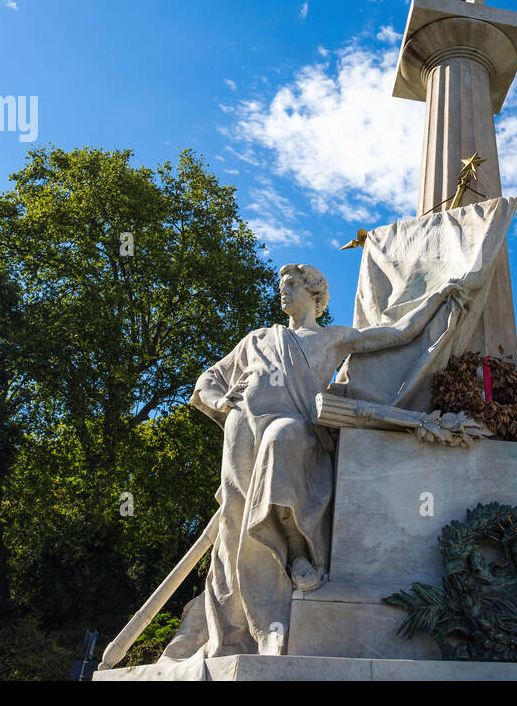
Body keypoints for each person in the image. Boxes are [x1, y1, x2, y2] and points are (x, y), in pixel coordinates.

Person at [167, 264, 467, 658]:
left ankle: (295, 550)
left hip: (296, 433)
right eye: (281, 285)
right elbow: (207, 380)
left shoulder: (332, 338)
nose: (283, 292)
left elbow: (397, 333)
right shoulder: (258, 339)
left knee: (282, 438)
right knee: (232, 528)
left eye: (291, 285)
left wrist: (437, 297)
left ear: (315, 294)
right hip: (241, 433)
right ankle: (232, 632)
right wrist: (221, 401)